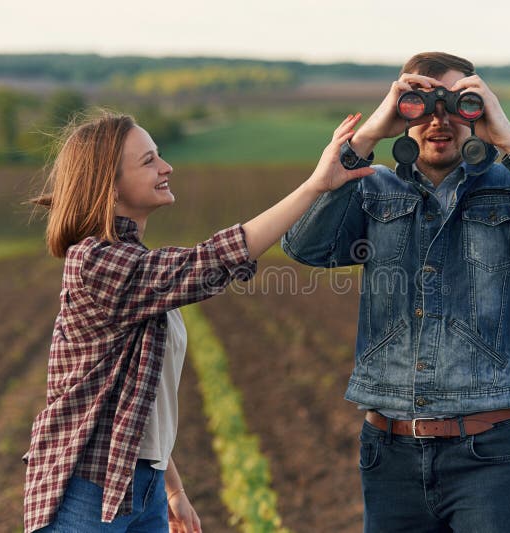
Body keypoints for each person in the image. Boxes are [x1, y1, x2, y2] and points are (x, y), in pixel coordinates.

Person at [281, 52, 510, 532]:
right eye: (419, 103)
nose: (439, 119)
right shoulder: (370, 189)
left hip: (495, 452)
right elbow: (304, 246)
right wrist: (365, 139)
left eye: (460, 103)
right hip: (389, 451)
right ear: (402, 111)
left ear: (479, 111)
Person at [23, 110, 373, 533]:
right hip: (87, 489)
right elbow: (208, 261)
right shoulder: (96, 262)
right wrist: (316, 184)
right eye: (148, 161)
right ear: (109, 188)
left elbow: (133, 397)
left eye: (159, 156)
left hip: (139, 485)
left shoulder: (133, 264)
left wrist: (173, 489)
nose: (166, 167)